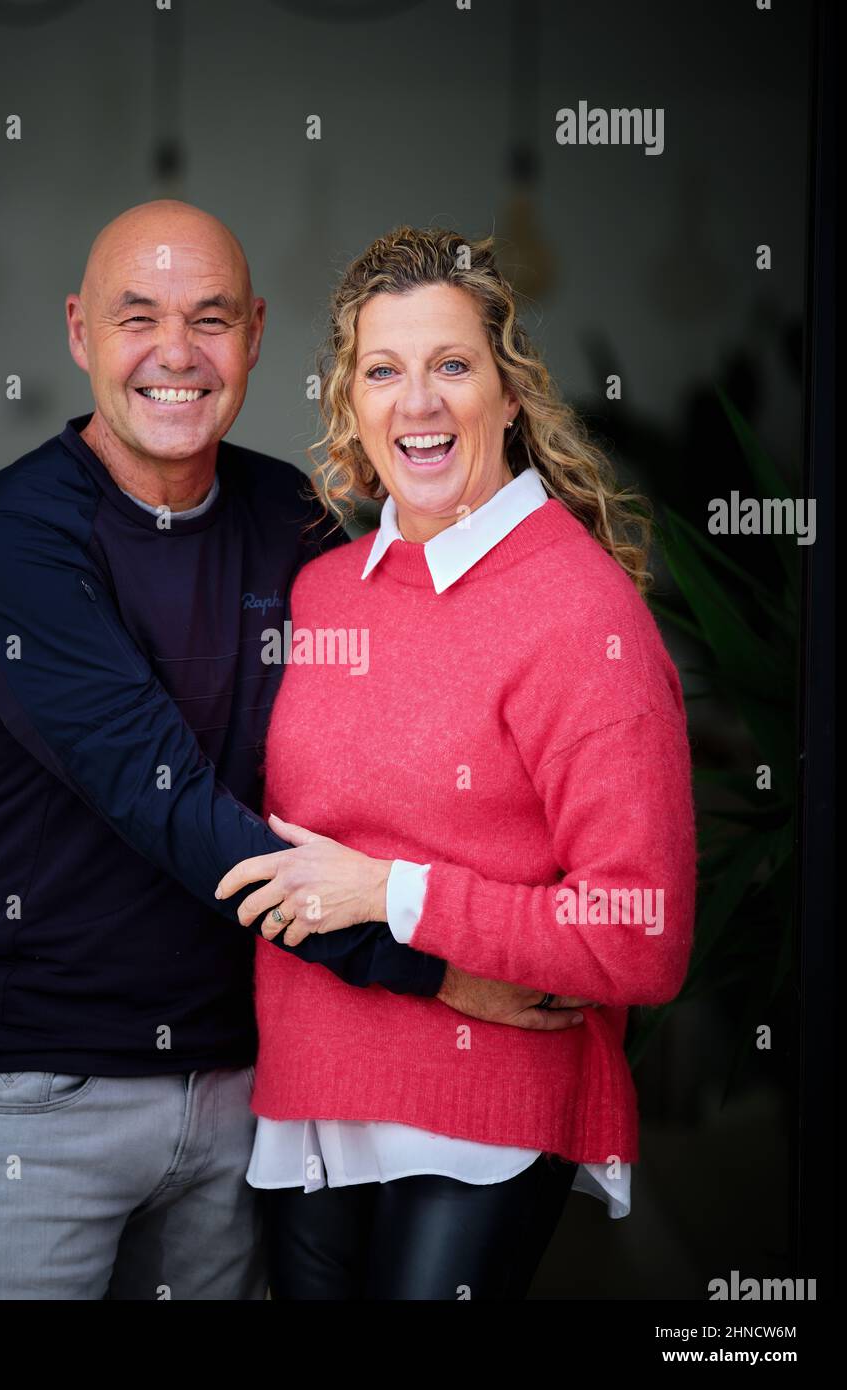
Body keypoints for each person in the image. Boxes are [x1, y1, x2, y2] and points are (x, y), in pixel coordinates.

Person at [0, 201, 586, 1301]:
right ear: (79, 332)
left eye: (210, 318)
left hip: (243, 1093)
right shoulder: (16, 541)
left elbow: (447, 622)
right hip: (40, 1094)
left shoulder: (294, 520)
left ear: (257, 333)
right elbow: (168, 804)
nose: (175, 353)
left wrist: (576, 611)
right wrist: (439, 968)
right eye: (138, 317)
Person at [216, 226, 697, 1300]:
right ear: (350, 402)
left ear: (510, 392)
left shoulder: (579, 612)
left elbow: (641, 937)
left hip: (482, 1115)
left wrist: (391, 894)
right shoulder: (323, 594)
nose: (417, 404)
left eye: (450, 366)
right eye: (382, 371)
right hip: (306, 1102)